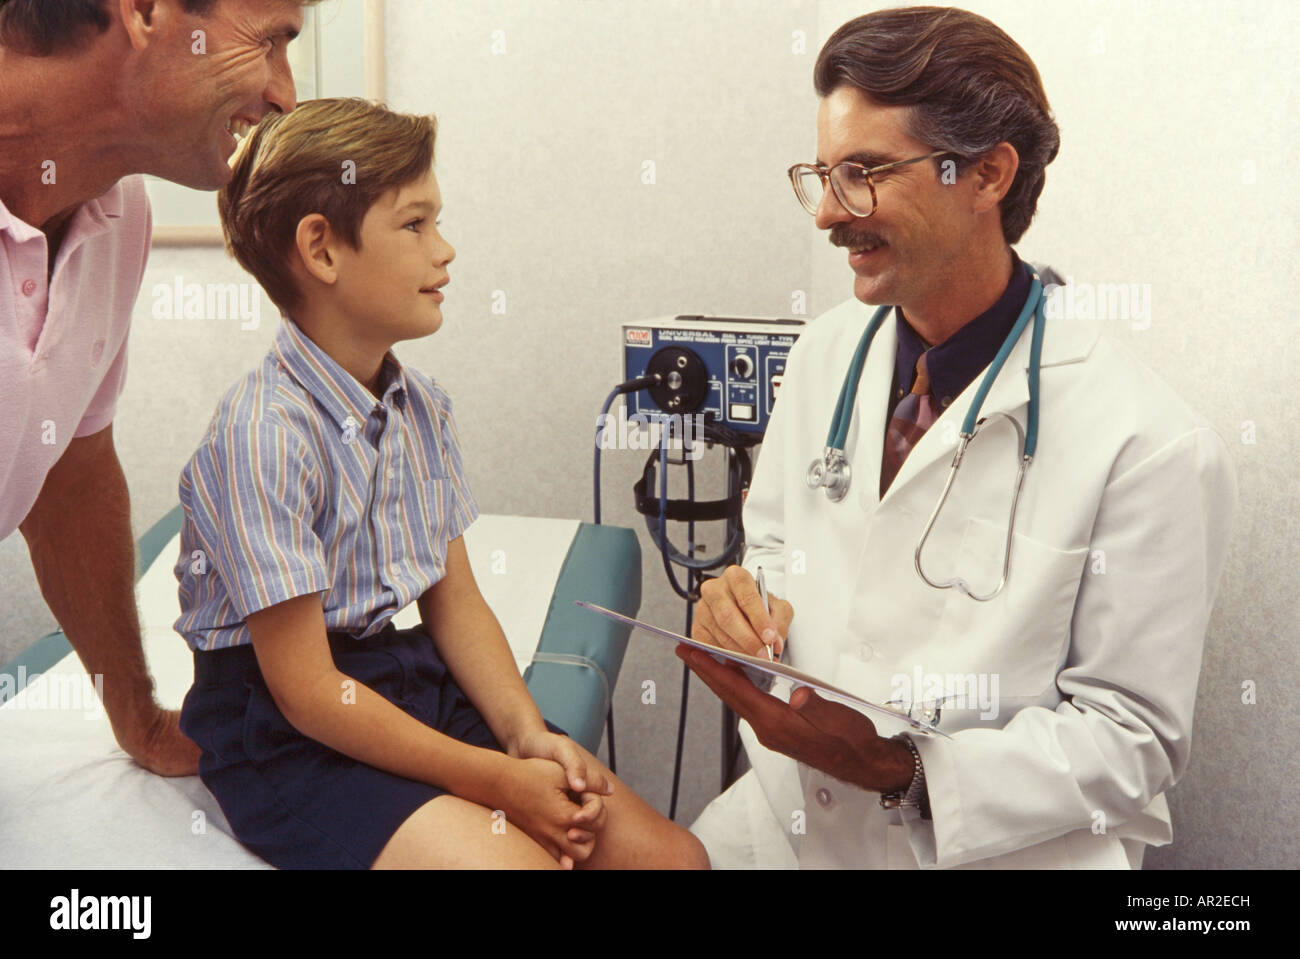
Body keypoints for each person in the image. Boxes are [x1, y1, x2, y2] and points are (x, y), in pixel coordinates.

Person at [683, 6, 1236, 869]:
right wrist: (741, 604)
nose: (829, 214)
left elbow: (1135, 741)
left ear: (986, 175)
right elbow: (778, 547)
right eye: (822, 175)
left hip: (991, 852)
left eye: (863, 173)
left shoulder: (1149, 444)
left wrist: (904, 770)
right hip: (785, 822)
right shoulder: (826, 353)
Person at [175, 97, 710, 870]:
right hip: (283, 727)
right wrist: (498, 783)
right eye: (416, 224)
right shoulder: (262, 435)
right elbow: (310, 692)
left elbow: (454, 602)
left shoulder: (418, 406)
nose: (446, 249)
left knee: (675, 860)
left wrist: (527, 735)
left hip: (393, 674)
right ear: (321, 249)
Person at [0, 0, 310, 775]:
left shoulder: (117, 214)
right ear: (141, 10)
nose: (285, 94)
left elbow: (67, 476)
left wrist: (136, 716)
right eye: (269, 41)